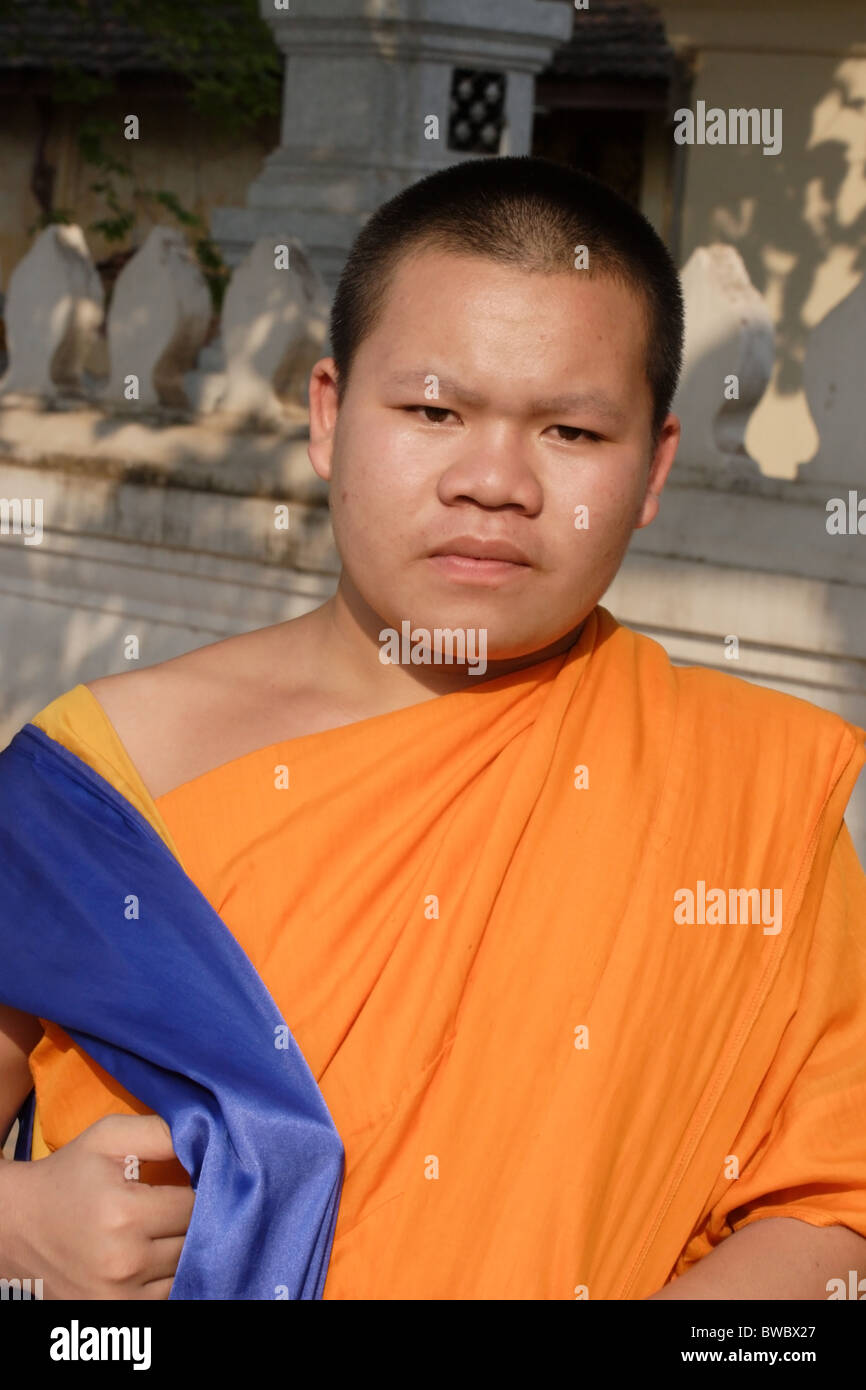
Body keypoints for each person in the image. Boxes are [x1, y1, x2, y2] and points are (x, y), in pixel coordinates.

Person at [1, 155, 865, 1301]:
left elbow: (830, 1205)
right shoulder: (97, 779)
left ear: (652, 467)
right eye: (430, 410)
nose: (493, 480)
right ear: (326, 413)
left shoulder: (749, 789)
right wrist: (21, 1224)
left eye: (568, 432)